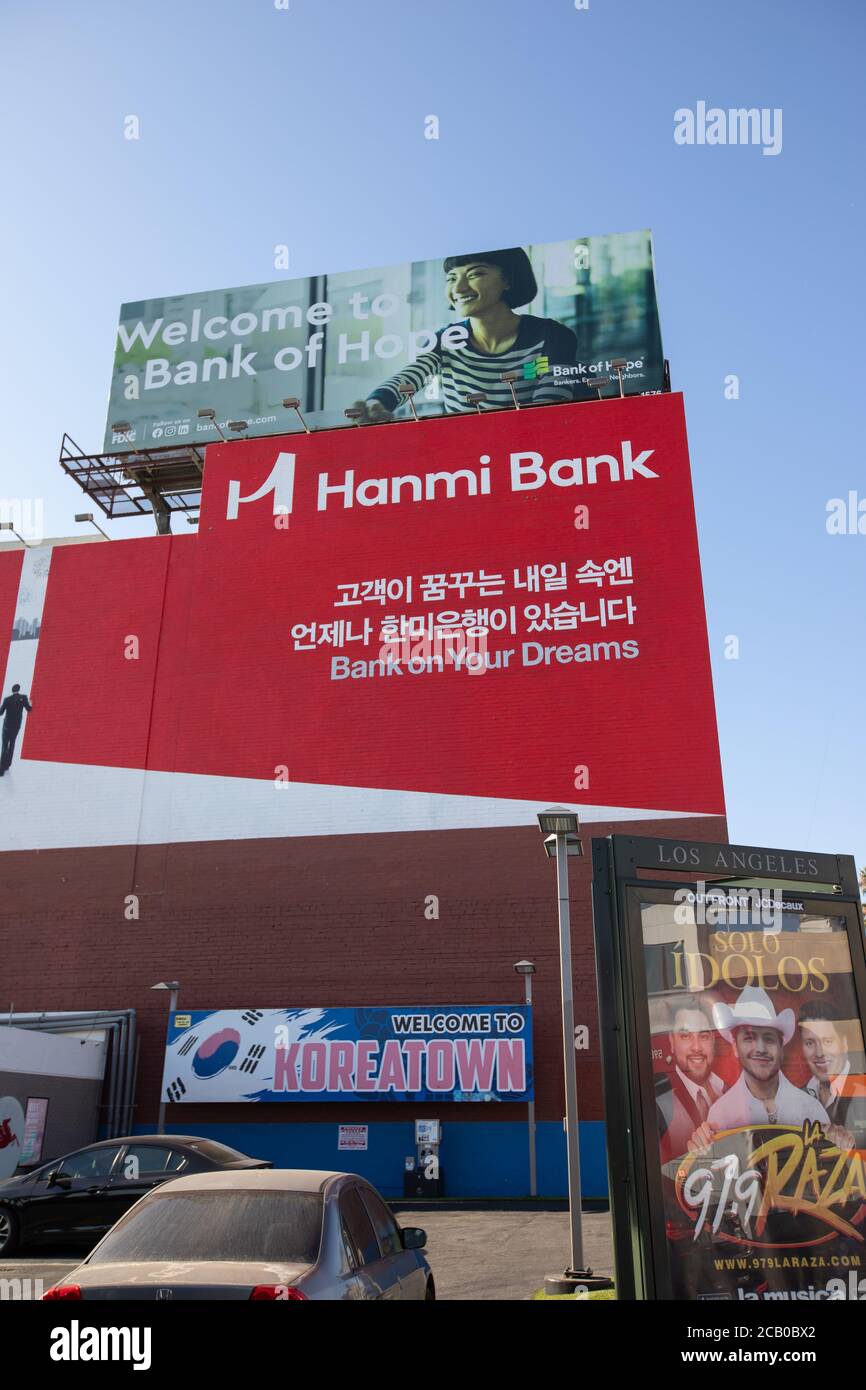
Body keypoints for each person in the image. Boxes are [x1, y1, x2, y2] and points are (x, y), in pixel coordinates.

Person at [349, 248, 578, 421]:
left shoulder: (552, 337)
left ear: (508, 280)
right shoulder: (445, 340)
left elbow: (549, 412)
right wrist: (377, 403)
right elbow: (410, 376)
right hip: (466, 463)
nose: (458, 289)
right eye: (451, 278)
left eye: (475, 274)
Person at [687, 987, 853, 1151]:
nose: (760, 1048)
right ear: (735, 1047)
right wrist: (700, 1150)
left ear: (782, 1048)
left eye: (769, 1039)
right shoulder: (721, 1114)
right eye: (749, 1038)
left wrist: (841, 1144)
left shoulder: (811, 1108)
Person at [654, 997, 726, 1162]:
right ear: (672, 1042)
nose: (696, 1047)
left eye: (704, 1036)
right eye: (685, 1036)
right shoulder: (658, 1101)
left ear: (713, 1041)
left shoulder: (729, 1091)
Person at [798, 1000, 866, 1143]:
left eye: (828, 1041)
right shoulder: (797, 1097)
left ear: (845, 1044)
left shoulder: (863, 1089)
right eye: (810, 1043)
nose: (820, 1053)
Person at [0, 683, 32, 775]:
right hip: (16, 726)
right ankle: (8, 764)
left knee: (4, 746)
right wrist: (30, 703)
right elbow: (29, 709)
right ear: (19, 689)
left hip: (7, 726)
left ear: (12, 690)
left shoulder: (7, 699)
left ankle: (1, 769)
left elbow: (1, 712)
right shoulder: (23, 698)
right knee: (12, 744)